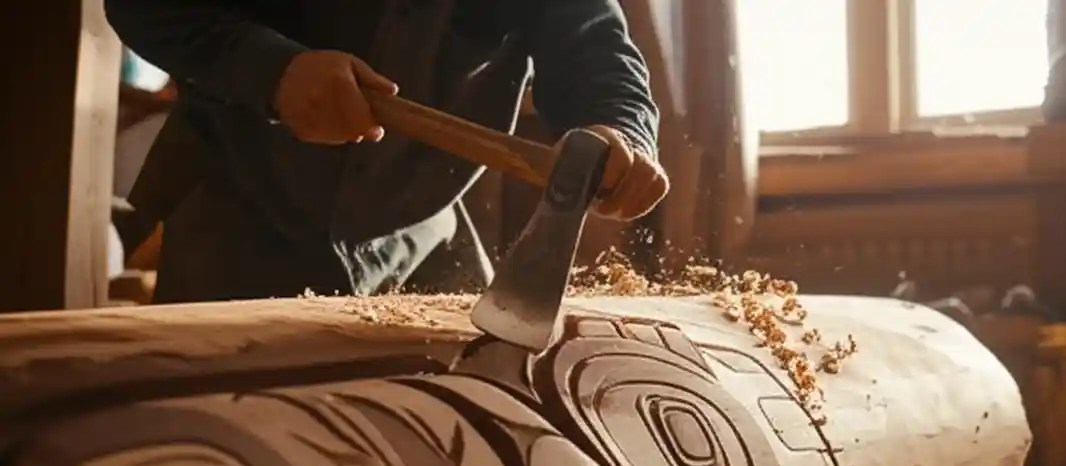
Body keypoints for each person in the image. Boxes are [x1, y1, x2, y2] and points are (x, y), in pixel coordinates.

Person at [104, 0, 669, 303]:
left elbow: (595, 47)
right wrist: (273, 69)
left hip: (424, 235)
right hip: (240, 212)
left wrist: (624, 131)